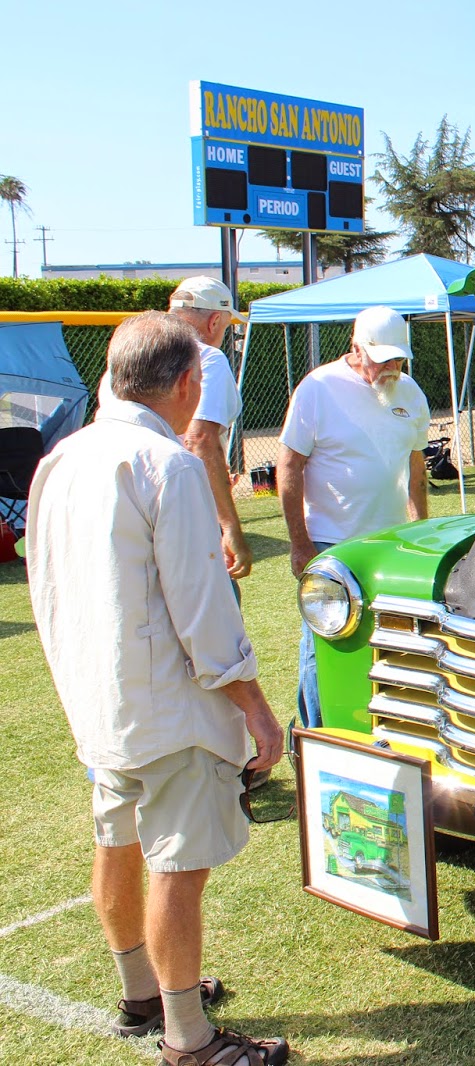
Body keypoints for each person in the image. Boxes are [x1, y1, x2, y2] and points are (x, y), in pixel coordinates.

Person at [27, 312, 288, 1065]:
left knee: (116, 839)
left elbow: (45, 583)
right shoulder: (166, 464)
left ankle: (142, 992)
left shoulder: (61, 458)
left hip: (99, 694)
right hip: (170, 704)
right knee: (178, 861)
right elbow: (202, 610)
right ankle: (189, 1039)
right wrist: (256, 709)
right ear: (186, 382)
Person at [280, 305, 430, 727]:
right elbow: (289, 465)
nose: (391, 367)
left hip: (391, 545)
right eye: (381, 358)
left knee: (391, 641)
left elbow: (415, 465)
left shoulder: (410, 392)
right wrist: (300, 544)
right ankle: (318, 733)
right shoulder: (319, 388)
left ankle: (383, 726)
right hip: (332, 543)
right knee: (324, 644)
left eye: (397, 358)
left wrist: (419, 530)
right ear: (356, 347)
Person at [168, 277, 252, 579]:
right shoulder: (208, 358)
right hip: (185, 506)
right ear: (215, 320)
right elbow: (199, 439)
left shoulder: (134, 351)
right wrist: (229, 525)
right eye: (226, 326)